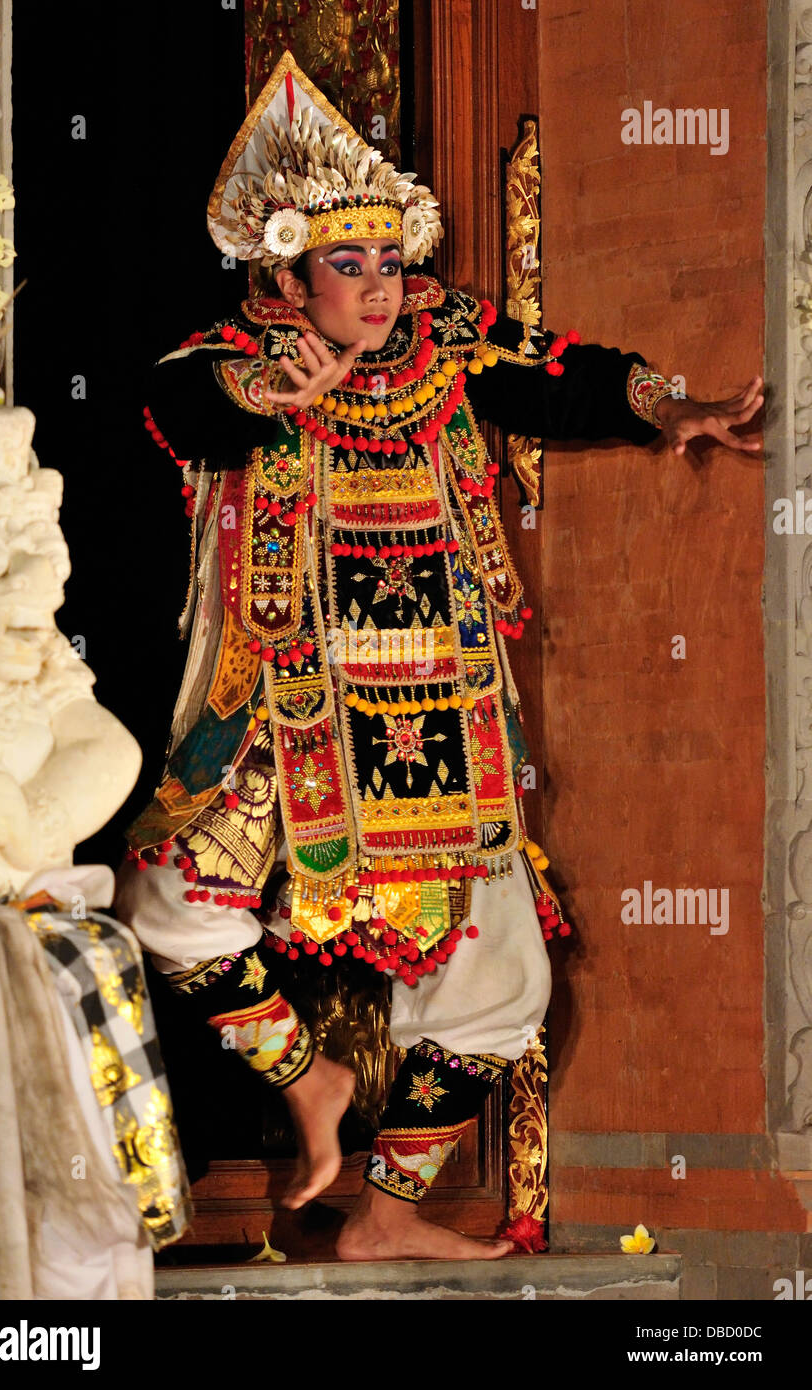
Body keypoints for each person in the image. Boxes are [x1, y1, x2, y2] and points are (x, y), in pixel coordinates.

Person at [114, 52, 762, 1262]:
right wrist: (273, 386)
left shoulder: (443, 343)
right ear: (285, 274)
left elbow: (556, 371)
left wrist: (666, 405)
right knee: (166, 911)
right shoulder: (234, 361)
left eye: (390, 263)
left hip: (441, 721)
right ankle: (308, 1088)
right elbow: (180, 407)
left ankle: (390, 1214)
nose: (376, 288)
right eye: (345, 266)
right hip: (287, 712)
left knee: (501, 989)